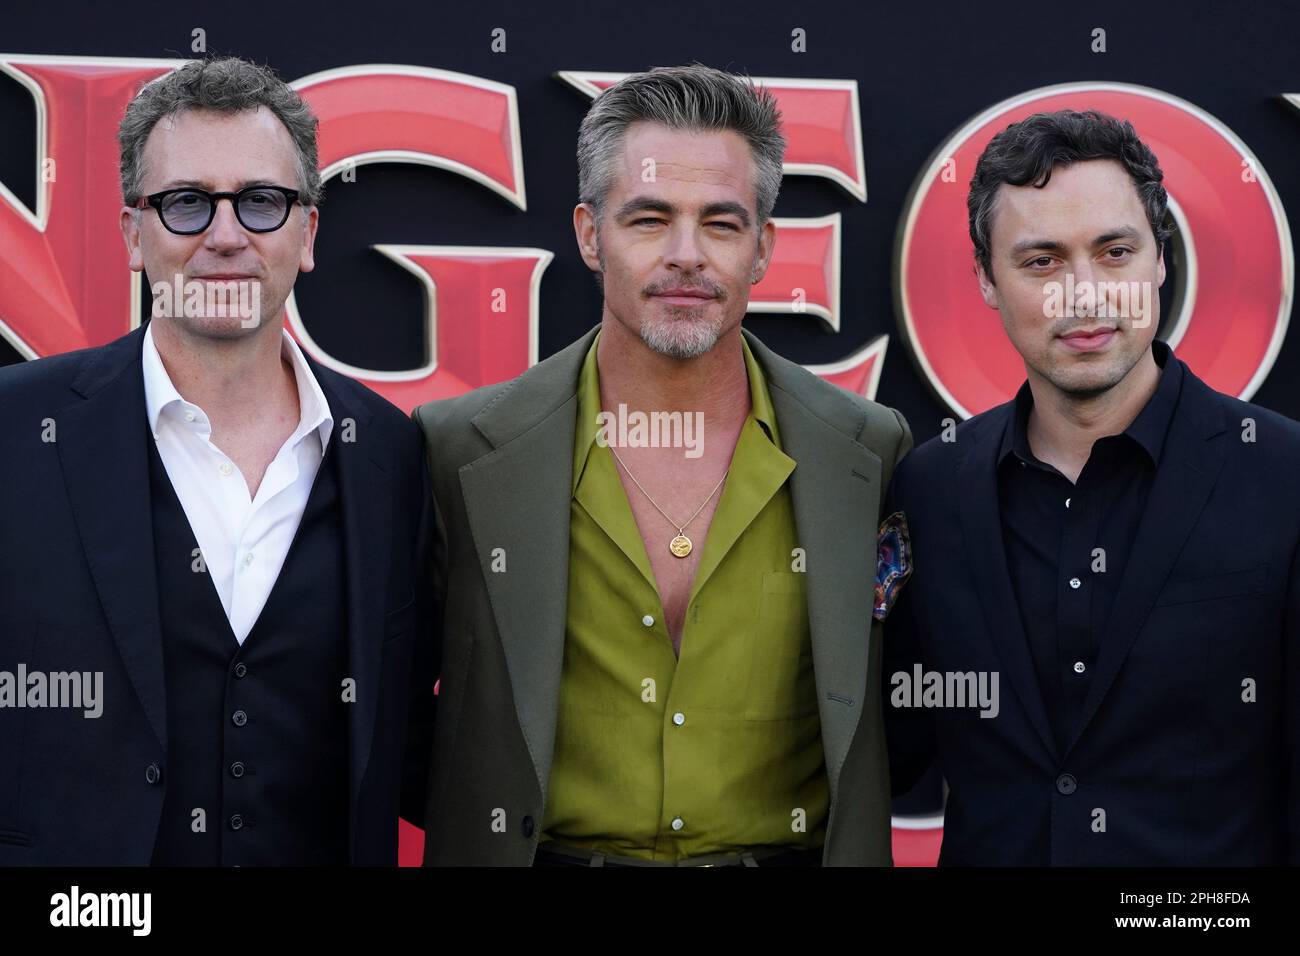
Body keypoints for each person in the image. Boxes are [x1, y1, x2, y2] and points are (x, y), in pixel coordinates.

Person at [407, 64, 911, 866]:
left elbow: (905, 725)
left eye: (720, 222)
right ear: (587, 234)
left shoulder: (866, 449)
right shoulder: (460, 447)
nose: (686, 256)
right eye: (648, 219)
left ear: (764, 247)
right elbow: (406, 727)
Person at [0, 56, 433, 865]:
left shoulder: (390, 455)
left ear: (307, 233)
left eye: (262, 203)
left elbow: (415, 734)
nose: (226, 236)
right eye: (187, 203)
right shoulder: (15, 429)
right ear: (135, 234)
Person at [884, 109, 1300, 865]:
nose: (1084, 295)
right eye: (1041, 262)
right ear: (986, 279)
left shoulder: (1284, 477)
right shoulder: (929, 490)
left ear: (1160, 260)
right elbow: (886, 748)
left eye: (1114, 252)